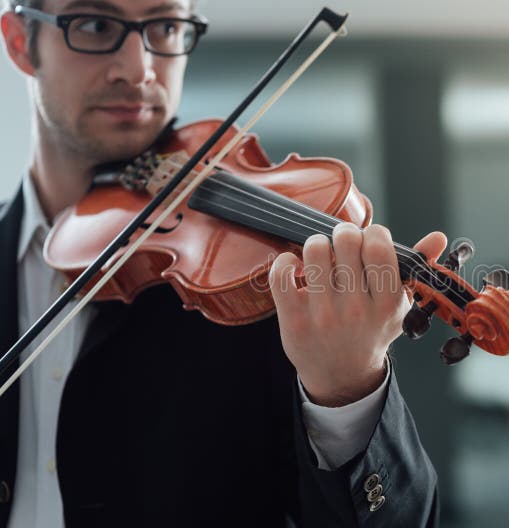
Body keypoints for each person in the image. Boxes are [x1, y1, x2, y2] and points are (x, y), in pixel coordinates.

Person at [0, 0, 443, 526]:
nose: (139, 68)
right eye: (95, 25)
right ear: (21, 42)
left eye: (165, 26)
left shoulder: (259, 280)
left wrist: (348, 394)